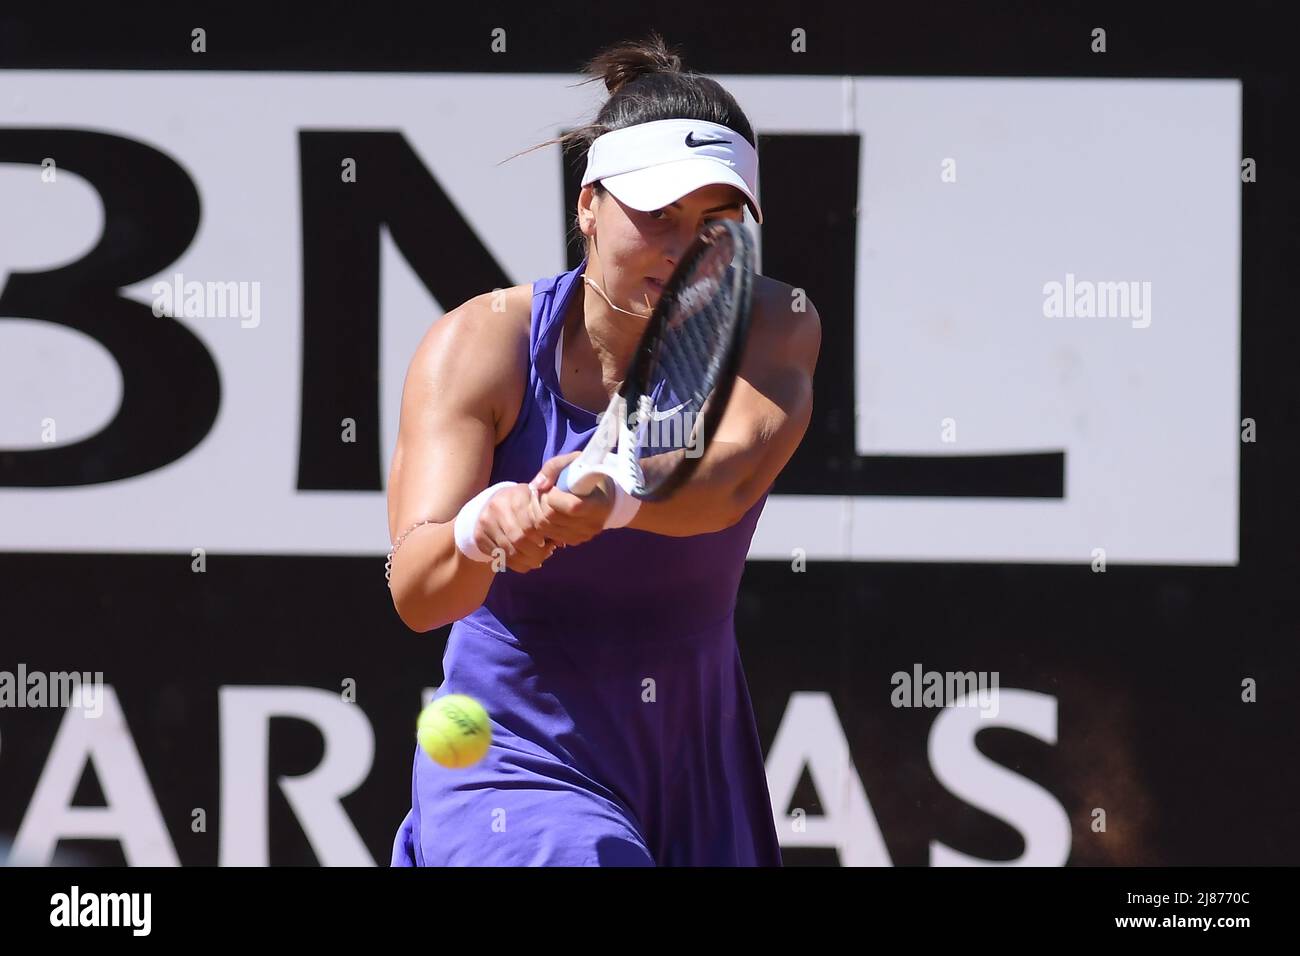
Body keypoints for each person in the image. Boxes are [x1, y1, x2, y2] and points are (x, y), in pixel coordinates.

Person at [386, 32, 820, 865]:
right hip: (512, 755)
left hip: (697, 757)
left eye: (715, 224)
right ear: (587, 204)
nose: (684, 249)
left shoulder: (776, 322)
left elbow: (726, 478)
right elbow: (418, 590)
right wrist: (486, 529)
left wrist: (611, 484)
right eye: (656, 214)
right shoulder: (478, 344)